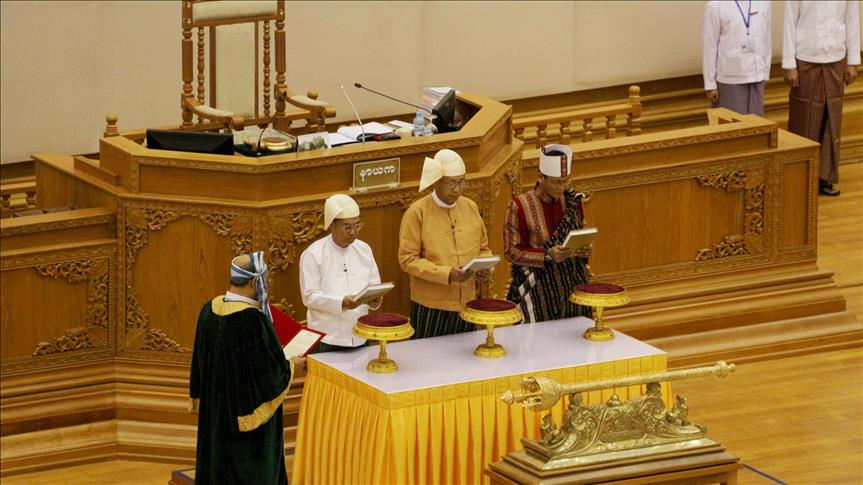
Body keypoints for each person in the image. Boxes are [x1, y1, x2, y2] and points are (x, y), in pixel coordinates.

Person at [189, 251, 302, 485]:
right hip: (246, 430)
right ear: (254, 281)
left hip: (216, 417)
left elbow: (199, 365)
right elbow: (270, 378)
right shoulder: (251, 321)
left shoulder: (207, 310)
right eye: (266, 280)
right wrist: (292, 365)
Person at [398, 149, 493, 339]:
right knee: (429, 361)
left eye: (461, 182)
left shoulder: (470, 207)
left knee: (465, 358)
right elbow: (407, 259)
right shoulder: (417, 212)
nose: (457, 189)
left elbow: (483, 249)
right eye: (451, 182)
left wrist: (485, 268)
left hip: (467, 301)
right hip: (431, 305)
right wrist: (447, 274)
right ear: (436, 182)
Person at [504, 144, 592, 323]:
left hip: (572, 286)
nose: (562, 188)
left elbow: (579, 234)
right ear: (540, 178)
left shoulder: (573, 201)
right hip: (536, 291)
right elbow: (511, 251)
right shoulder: (519, 206)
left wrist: (585, 249)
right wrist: (547, 255)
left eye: (566, 180)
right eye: (556, 182)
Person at [783, 0, 860, 196]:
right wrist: (789, 64)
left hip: (836, 58)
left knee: (831, 120)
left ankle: (824, 177)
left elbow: (852, 20)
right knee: (804, 120)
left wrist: (852, 61)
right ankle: (799, 177)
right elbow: (790, 21)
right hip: (806, 58)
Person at [299, 194, 382, 353]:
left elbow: (374, 285)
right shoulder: (313, 254)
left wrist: (374, 300)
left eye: (357, 226)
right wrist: (341, 302)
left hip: (360, 334)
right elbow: (309, 296)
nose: (353, 232)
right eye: (347, 227)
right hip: (327, 338)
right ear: (332, 226)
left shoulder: (364, 249)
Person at [702, 0, 772, 115]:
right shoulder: (715, 6)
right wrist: (710, 83)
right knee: (733, 127)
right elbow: (710, 46)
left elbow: (767, 38)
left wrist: (765, 72)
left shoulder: (764, 2)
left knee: (757, 126)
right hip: (730, 79)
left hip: (757, 76)